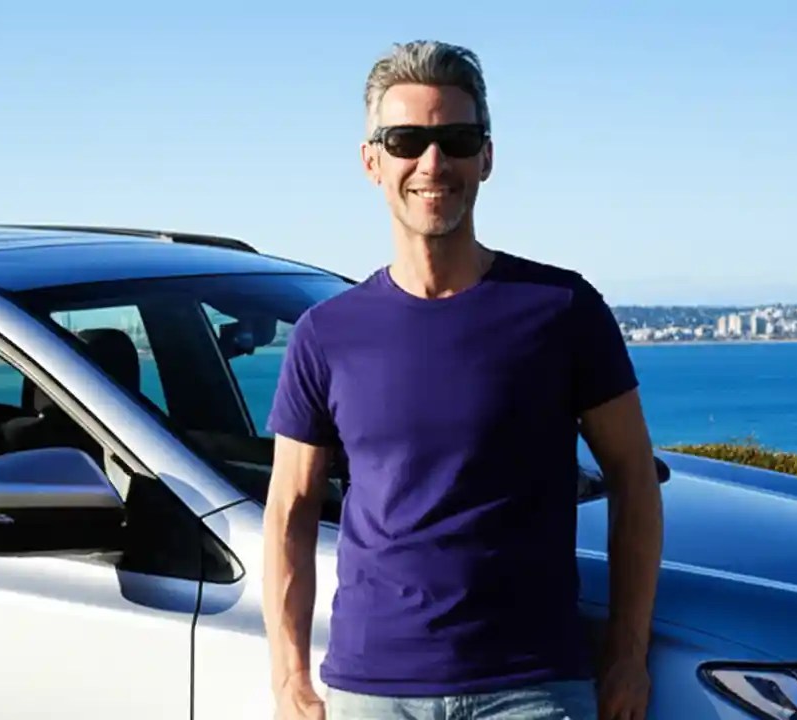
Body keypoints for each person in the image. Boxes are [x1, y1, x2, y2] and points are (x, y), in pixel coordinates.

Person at [262, 40, 664, 720]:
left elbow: (632, 478)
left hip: (531, 687)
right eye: (406, 140)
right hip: (373, 688)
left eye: (455, 138)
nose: (432, 163)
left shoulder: (563, 311)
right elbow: (288, 513)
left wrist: (627, 656)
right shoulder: (326, 335)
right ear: (371, 162)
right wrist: (288, 679)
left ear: (486, 156)